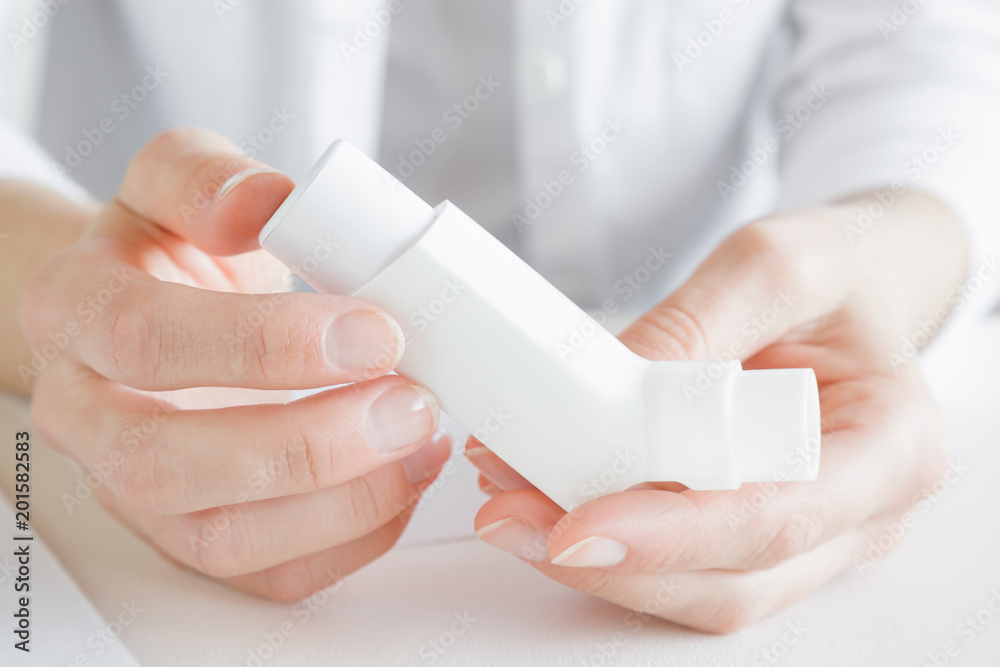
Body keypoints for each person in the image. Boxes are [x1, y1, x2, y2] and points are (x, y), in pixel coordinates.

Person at [1, 0, 998, 634]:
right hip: (134, 456)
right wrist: (63, 289)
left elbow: (921, 45)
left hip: (732, 346)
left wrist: (888, 251)